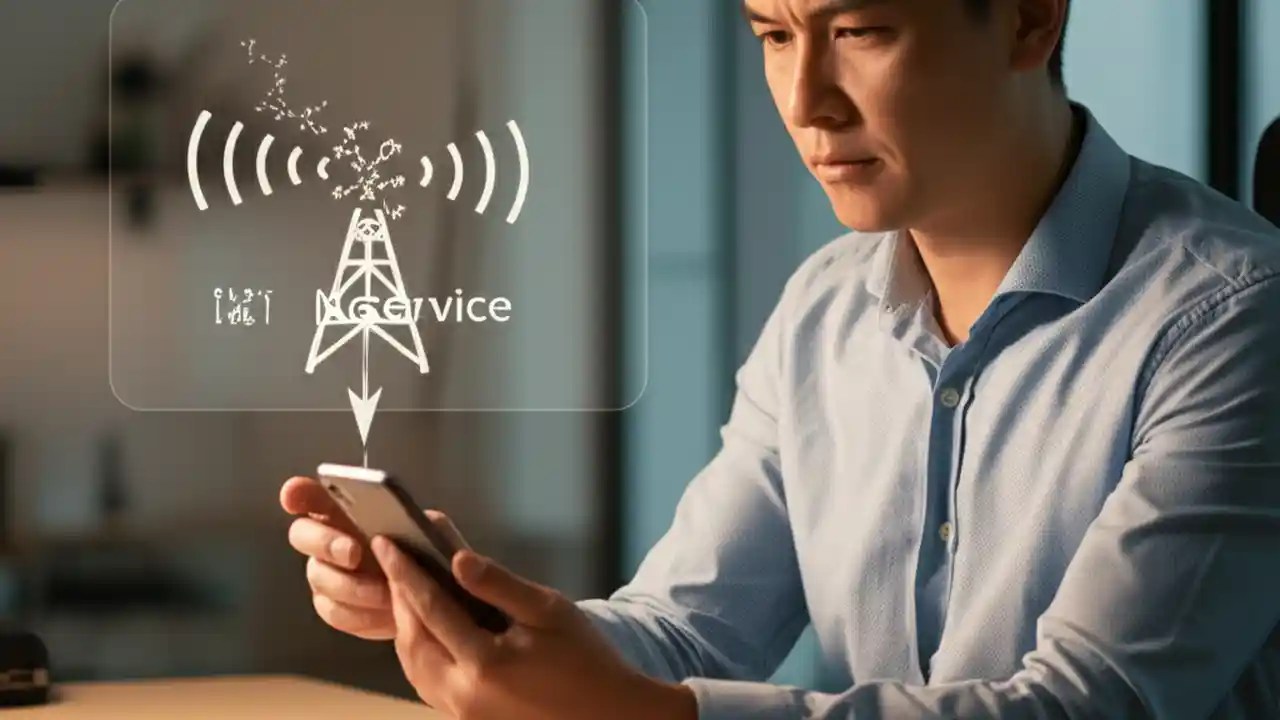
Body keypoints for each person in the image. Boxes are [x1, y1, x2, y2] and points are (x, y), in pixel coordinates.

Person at [281, 0, 1280, 717]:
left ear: (1028, 20)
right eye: (770, 35)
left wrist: (657, 719)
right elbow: (683, 629)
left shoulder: (1230, 315)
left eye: (857, 32)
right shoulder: (824, 307)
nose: (806, 101)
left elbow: (1093, 704)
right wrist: (476, 607)